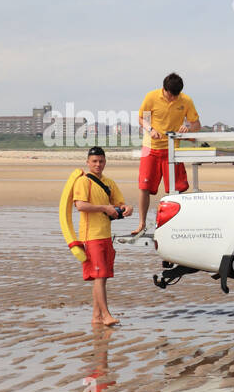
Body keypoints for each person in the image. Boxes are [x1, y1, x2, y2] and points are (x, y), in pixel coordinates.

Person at [73, 147, 132, 326]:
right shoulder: (83, 181)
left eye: (101, 161)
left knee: (103, 277)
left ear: (105, 162)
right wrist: (104, 208)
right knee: (99, 277)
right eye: (94, 161)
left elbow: (119, 204)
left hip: (106, 235)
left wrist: (127, 209)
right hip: (91, 236)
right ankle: (106, 315)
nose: (98, 164)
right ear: (88, 162)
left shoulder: (109, 182)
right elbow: (80, 205)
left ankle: (96, 316)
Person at [134, 72, 198, 235]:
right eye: (171, 96)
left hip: (172, 149)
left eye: (176, 96)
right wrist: (151, 130)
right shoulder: (151, 97)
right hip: (151, 147)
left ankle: (176, 223)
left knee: (177, 189)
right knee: (144, 187)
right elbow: (141, 119)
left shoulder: (186, 100)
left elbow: (196, 124)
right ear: (164, 90)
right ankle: (142, 223)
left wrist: (188, 127)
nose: (173, 99)